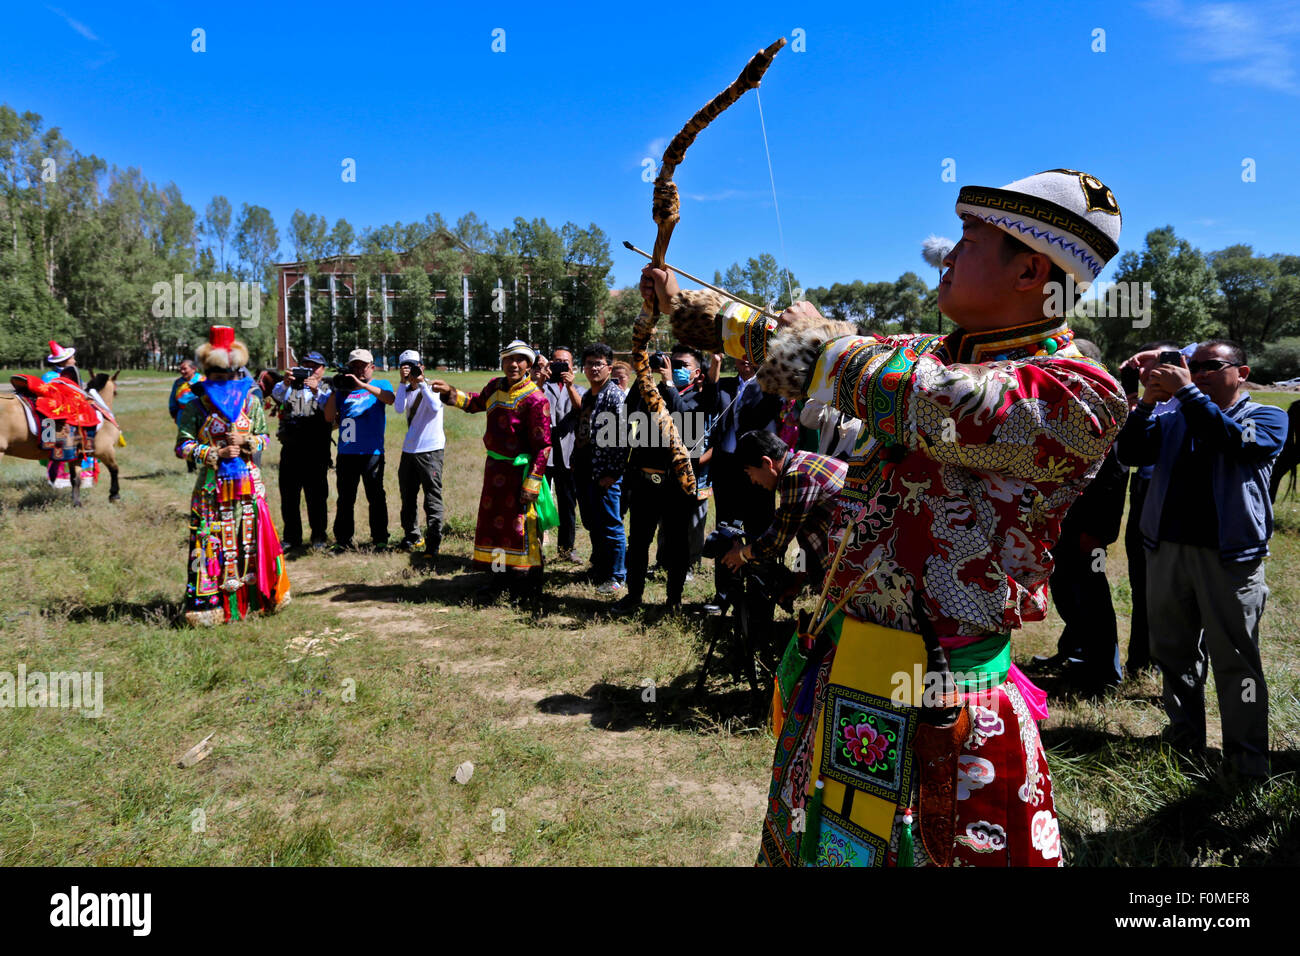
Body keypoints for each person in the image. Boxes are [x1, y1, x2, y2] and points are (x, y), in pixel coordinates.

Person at [648, 168, 1128, 867]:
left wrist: (826, 345)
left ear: (1030, 270)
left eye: (968, 242)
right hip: (847, 668)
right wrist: (686, 308)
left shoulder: (1078, 394)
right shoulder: (919, 353)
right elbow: (798, 359)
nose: (947, 256)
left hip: (946, 707)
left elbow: (926, 399)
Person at [1116, 340, 1286, 781]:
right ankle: (1184, 739)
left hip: (1230, 558)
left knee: (1236, 660)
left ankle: (1246, 762)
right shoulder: (1174, 415)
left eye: (1212, 366)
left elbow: (1232, 443)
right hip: (1167, 551)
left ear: (1242, 372)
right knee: (1172, 652)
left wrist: (1187, 393)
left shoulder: (1267, 417)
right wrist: (1145, 405)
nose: (1199, 373)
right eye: (1193, 366)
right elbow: (1131, 454)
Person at [174, 326, 290, 626]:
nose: (222, 379)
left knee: (250, 538)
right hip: (212, 488)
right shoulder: (195, 406)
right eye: (216, 373)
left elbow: (265, 436)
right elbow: (183, 445)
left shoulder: (251, 403)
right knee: (210, 541)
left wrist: (248, 443)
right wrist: (214, 454)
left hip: (249, 483)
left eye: (227, 373)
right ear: (207, 372)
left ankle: (258, 599)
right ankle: (210, 606)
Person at [431, 340, 551, 605]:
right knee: (495, 527)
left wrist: (533, 481)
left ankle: (529, 585)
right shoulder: (495, 387)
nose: (514, 364)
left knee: (523, 527)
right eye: (509, 359)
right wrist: (449, 392)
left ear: (529, 366)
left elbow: (543, 445)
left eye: (520, 360)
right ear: (502, 362)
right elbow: (474, 403)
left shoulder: (535, 399)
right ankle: (498, 579)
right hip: (495, 472)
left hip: (520, 474)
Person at [1116, 340, 1185, 674]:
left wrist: (1166, 364)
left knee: (1176, 585)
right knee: (1141, 580)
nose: (1151, 372)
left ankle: (1172, 659)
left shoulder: (1190, 397)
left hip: (1176, 493)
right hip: (1144, 491)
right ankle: (1141, 659)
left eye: (1162, 363)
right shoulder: (1141, 402)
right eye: (1144, 366)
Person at [612, 349, 694, 614]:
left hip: (675, 485)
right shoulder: (645, 394)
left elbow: (686, 424)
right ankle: (633, 596)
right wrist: (641, 377)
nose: (669, 366)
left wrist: (670, 384)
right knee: (638, 543)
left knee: (677, 545)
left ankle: (674, 600)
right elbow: (625, 419)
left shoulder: (693, 394)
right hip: (645, 483)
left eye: (681, 364)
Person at [706, 354, 784, 614]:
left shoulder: (771, 388)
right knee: (726, 530)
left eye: (752, 358)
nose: (746, 363)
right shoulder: (725, 386)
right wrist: (714, 364)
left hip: (759, 469)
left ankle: (758, 595)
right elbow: (708, 403)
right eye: (740, 358)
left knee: (759, 528)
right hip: (727, 469)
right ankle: (724, 594)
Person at [570, 343, 628, 594]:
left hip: (606, 473)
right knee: (594, 522)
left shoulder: (614, 395)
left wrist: (613, 474)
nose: (594, 368)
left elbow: (626, 437)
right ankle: (601, 567)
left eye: (599, 364)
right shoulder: (587, 396)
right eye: (590, 363)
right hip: (586, 470)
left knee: (611, 524)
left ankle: (617, 575)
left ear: (609, 367)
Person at [325, 348, 395, 550]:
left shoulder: (380, 384)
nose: (358, 370)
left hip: (372, 453)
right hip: (347, 453)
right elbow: (329, 418)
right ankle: (343, 540)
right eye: (354, 366)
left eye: (362, 366)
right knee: (345, 499)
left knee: (375, 497)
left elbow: (389, 399)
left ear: (371, 367)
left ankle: (380, 539)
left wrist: (362, 385)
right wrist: (334, 390)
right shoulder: (343, 389)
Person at [270, 351, 332, 549]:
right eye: (305, 366)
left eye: (315, 366)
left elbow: (331, 410)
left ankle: (319, 538)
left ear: (323, 369)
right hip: (291, 449)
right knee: (289, 496)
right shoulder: (291, 386)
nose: (310, 370)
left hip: (316, 451)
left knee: (317, 497)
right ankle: (291, 538)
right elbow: (276, 395)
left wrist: (316, 391)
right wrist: (287, 382)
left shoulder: (327, 387)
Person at [393, 349, 446, 557]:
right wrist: (402, 383)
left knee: (432, 498)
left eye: (415, 366)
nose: (412, 370)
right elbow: (398, 409)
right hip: (409, 450)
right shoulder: (405, 391)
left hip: (430, 451)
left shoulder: (433, 387)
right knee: (407, 497)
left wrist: (422, 382)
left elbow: (434, 407)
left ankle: (433, 542)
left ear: (422, 367)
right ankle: (412, 536)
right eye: (406, 366)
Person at [541, 346, 586, 565]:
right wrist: (540, 376)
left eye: (565, 362)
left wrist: (569, 386)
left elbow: (580, 410)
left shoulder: (579, 389)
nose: (560, 366)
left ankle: (566, 548)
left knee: (568, 504)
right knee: (539, 501)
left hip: (568, 454)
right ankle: (535, 546)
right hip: (543, 453)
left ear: (572, 366)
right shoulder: (540, 386)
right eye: (556, 361)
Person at [40, 340, 98, 489]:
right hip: (60, 415)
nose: (75, 360)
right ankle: (60, 476)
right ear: (65, 361)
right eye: (72, 358)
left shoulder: (73, 375)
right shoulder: (50, 376)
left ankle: (84, 469)